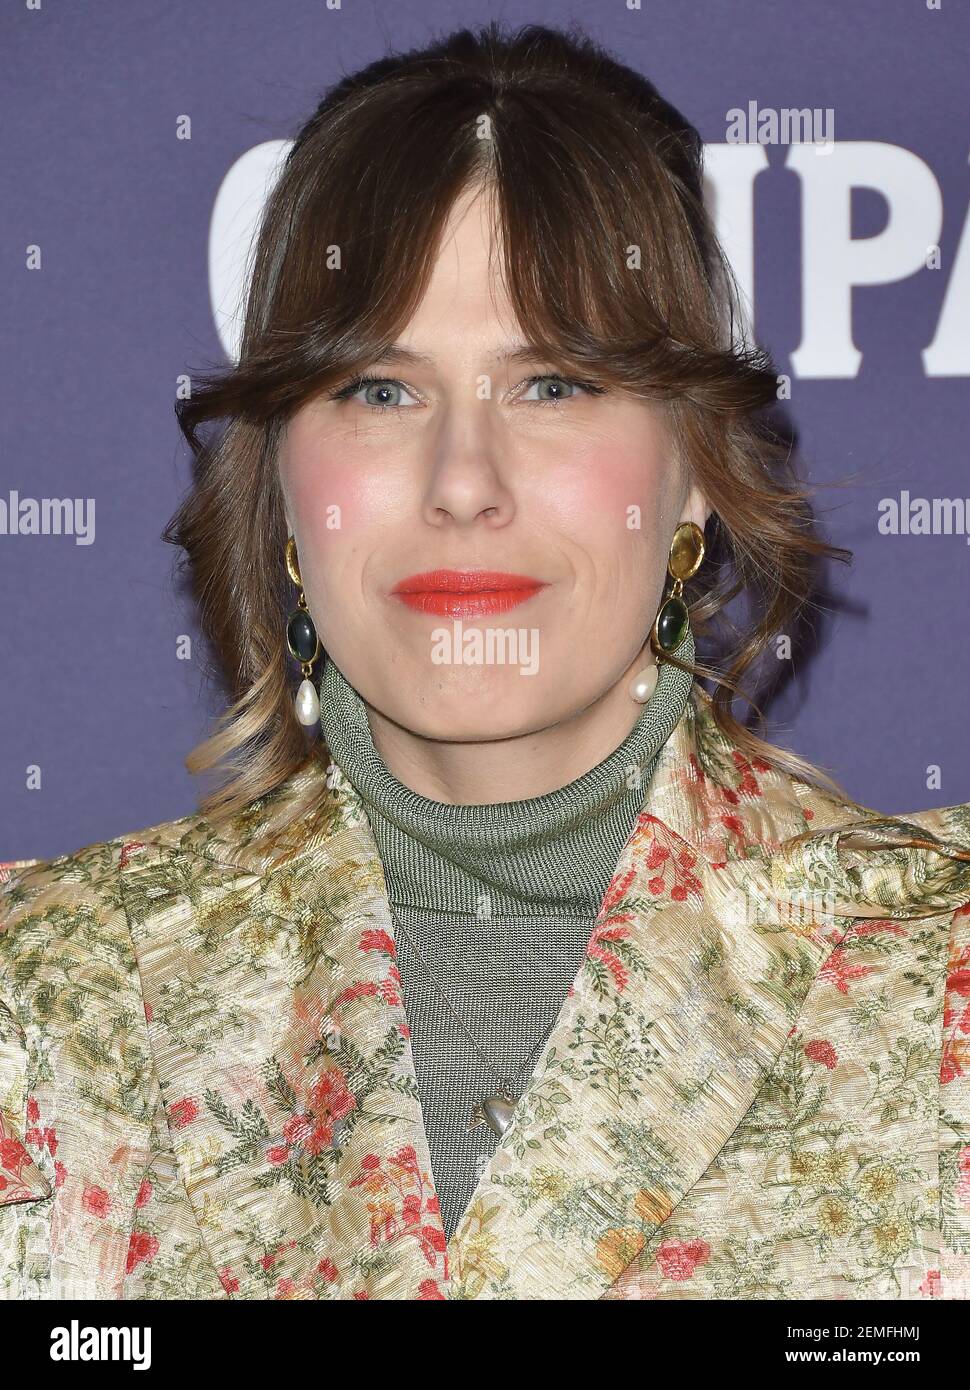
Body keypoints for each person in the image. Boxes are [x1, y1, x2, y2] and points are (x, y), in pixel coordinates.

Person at [2, 21, 969, 1302]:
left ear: (695, 477)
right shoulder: (39, 995)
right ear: (282, 485)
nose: (464, 483)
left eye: (555, 385)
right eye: (380, 391)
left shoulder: (937, 967)